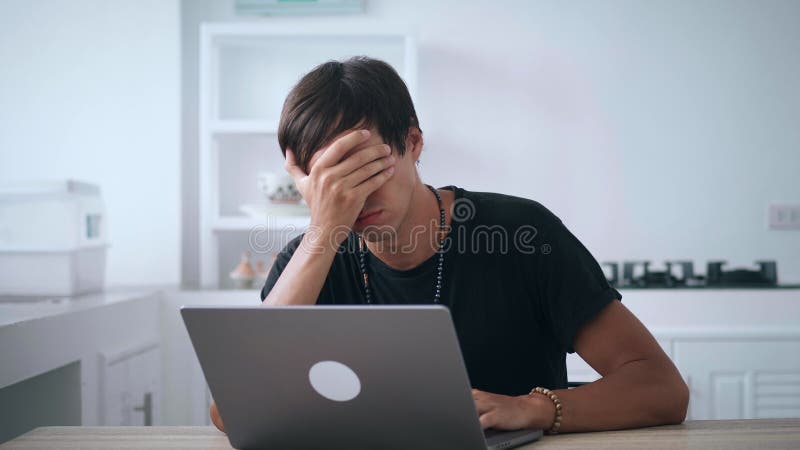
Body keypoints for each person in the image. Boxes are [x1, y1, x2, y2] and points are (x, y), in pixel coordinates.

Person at [209, 56, 688, 435]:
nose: (353, 200)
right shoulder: (308, 259)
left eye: (366, 171)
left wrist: (533, 408)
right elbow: (233, 414)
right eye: (334, 184)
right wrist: (322, 233)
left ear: (412, 142)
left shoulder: (523, 235)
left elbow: (662, 388)